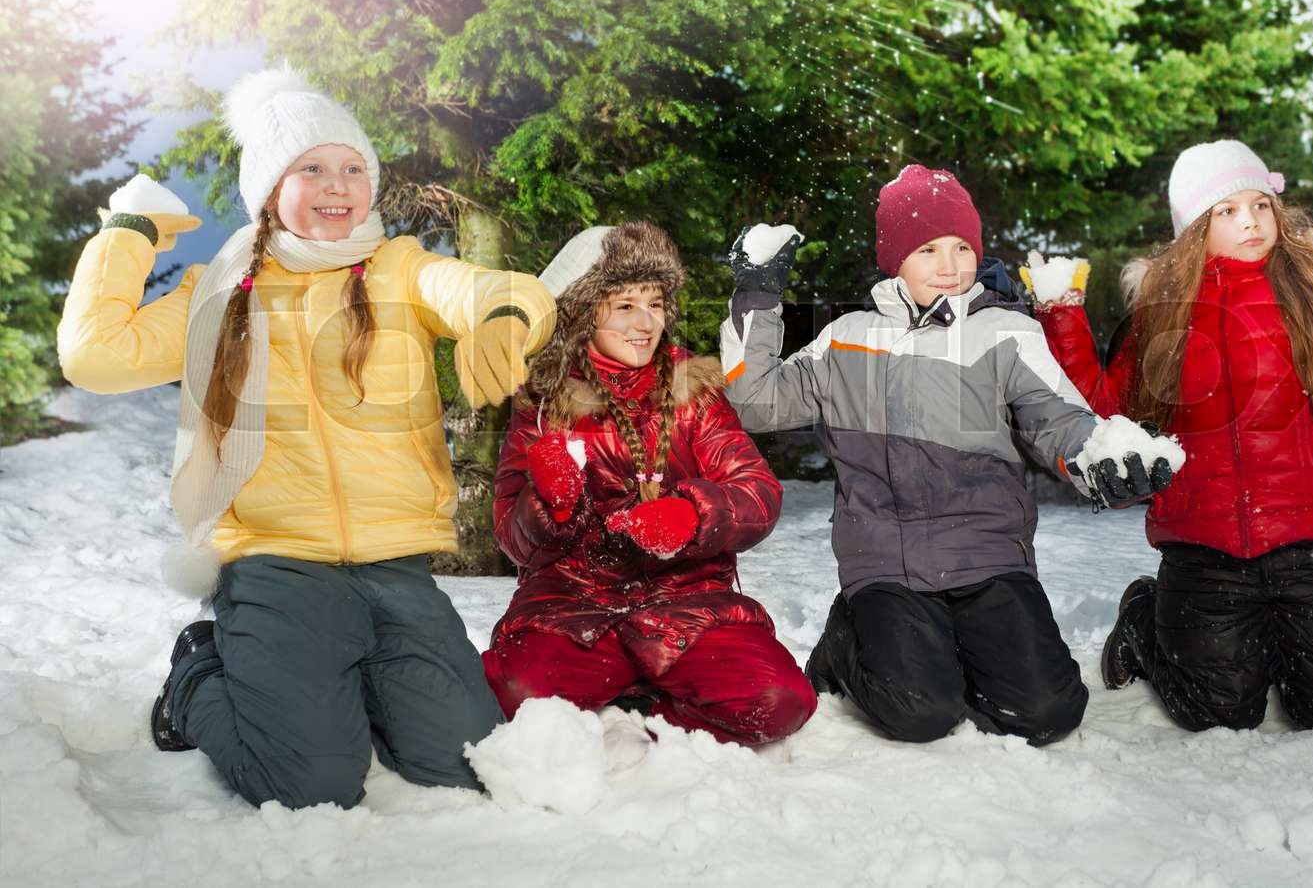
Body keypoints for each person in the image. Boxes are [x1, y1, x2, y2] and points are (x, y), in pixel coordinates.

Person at [57, 66, 556, 807]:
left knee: (469, 764)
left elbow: (493, 288)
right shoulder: (218, 294)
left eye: (354, 166)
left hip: (396, 564)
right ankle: (199, 671)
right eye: (312, 166)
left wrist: (506, 317)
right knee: (311, 782)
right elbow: (95, 355)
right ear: (268, 190)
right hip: (274, 562)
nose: (338, 182)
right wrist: (129, 233)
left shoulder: (398, 270)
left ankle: (340, 689)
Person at [720, 164, 1178, 745]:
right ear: (895, 261)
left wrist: (1095, 456)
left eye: (962, 247)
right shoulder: (848, 337)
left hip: (987, 554)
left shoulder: (1004, 332)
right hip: (886, 561)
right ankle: (847, 638)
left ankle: (953, 647)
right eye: (929, 248)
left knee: (1046, 712)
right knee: (920, 712)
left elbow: (1057, 416)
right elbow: (758, 404)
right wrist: (757, 298)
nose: (950, 264)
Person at [1029, 139, 1313, 733]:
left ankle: (1274, 637)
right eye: (1226, 210)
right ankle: (1145, 618)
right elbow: (1108, 411)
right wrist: (1062, 315)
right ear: (1194, 228)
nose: (1250, 221)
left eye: (1260, 205)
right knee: (1214, 714)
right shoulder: (1162, 309)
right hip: (1206, 544)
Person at [482, 222, 815, 746]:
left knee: (779, 703)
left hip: (687, 603)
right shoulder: (544, 403)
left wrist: (694, 515)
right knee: (518, 694)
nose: (645, 324)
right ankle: (617, 685)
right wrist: (548, 502)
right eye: (624, 306)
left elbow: (757, 491)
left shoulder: (695, 391)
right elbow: (512, 538)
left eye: (656, 304)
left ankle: (652, 710)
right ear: (583, 312)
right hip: (574, 604)